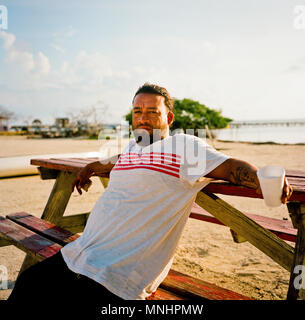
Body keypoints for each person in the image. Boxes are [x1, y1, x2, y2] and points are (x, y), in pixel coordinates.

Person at [7, 83, 293, 307]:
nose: (142, 118)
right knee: (29, 283)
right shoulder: (134, 148)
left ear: (168, 117)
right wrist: (91, 168)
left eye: (152, 112)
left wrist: (259, 177)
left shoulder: (184, 147)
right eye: (137, 112)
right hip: (78, 255)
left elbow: (232, 167)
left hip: (116, 276)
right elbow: (117, 159)